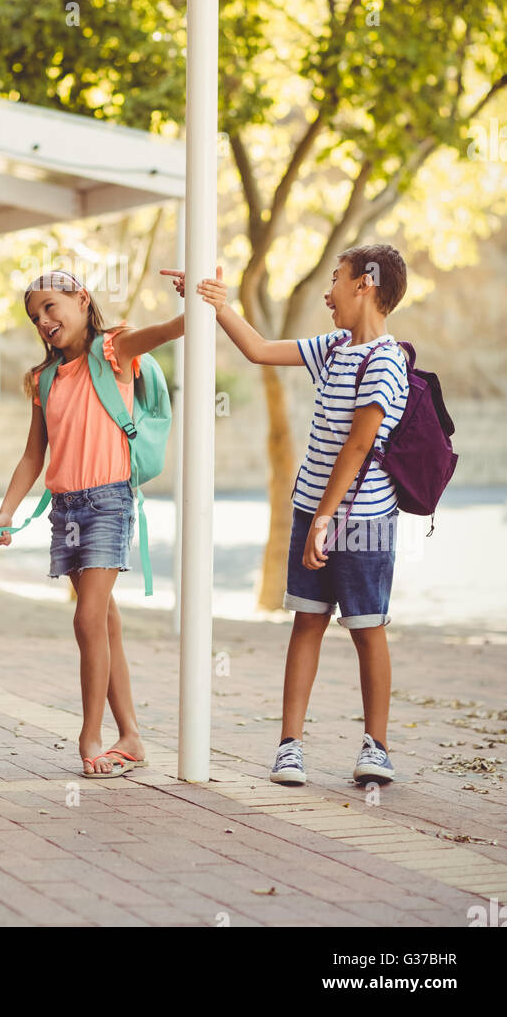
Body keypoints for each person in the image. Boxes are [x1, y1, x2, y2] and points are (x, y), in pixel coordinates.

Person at [164, 245, 409, 787]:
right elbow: (258, 350)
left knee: (367, 628)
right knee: (307, 621)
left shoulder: (389, 359)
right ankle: (289, 748)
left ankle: (377, 746)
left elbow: (358, 445)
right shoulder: (336, 346)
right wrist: (217, 303)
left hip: (362, 521)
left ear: (365, 284)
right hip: (312, 511)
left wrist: (323, 519)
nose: (328, 291)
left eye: (336, 280)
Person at [0, 270, 183, 778]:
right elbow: (34, 454)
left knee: (87, 617)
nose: (44, 322)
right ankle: (132, 737)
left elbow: (170, 329)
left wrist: (195, 301)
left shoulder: (114, 351)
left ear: (82, 299)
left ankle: (91, 734)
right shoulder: (43, 380)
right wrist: (6, 511)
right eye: (35, 317)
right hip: (65, 509)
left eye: (52, 307)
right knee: (104, 621)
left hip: (108, 502)